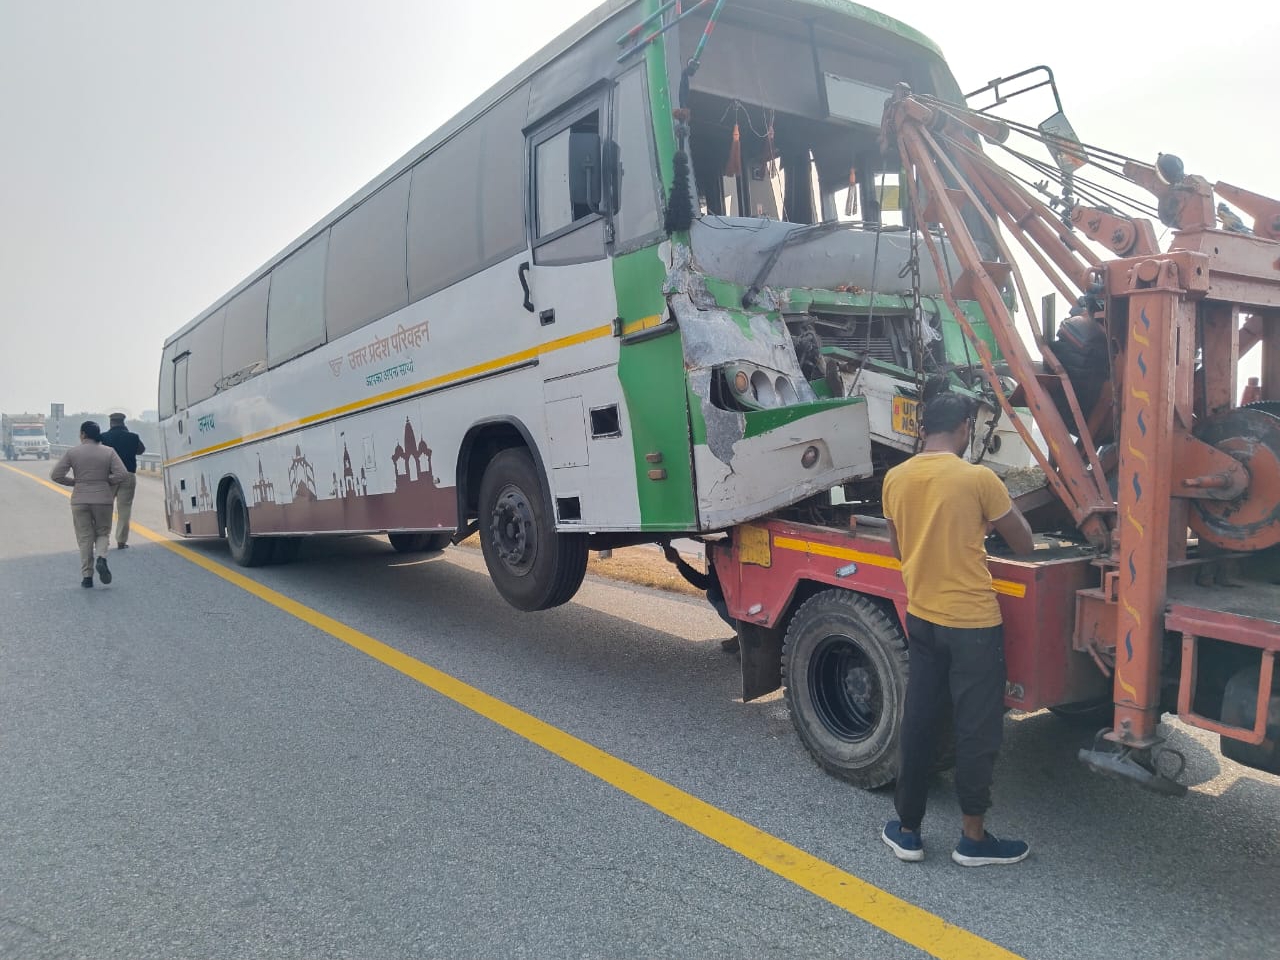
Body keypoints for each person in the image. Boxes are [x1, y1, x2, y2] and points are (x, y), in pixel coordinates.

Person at [879, 391, 1035, 867]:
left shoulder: (895, 478)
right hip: (973, 625)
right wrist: (981, 525)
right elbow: (1025, 543)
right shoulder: (978, 479)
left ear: (923, 428)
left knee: (920, 721)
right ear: (966, 428)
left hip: (922, 617)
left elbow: (899, 549)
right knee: (975, 728)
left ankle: (908, 830)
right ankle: (973, 838)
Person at [50, 421, 128, 587]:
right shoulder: (108, 451)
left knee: (85, 538)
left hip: (80, 500)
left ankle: (87, 577)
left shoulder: (72, 452)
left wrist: (75, 482)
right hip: (103, 499)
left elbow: (56, 475)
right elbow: (122, 474)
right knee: (103, 533)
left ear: (83, 434)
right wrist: (106, 481)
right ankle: (101, 557)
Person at [661, 542, 738, 652]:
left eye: (712, 554)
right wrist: (678, 562)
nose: (708, 555)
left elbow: (704, 583)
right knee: (712, 593)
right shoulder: (729, 566)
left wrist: (678, 561)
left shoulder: (727, 569)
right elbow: (707, 583)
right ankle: (744, 633)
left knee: (715, 596)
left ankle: (747, 635)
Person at [98, 412, 146, 549]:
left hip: (109, 476)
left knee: (105, 508)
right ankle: (121, 541)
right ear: (123, 422)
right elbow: (141, 450)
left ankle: (103, 539)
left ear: (111, 422)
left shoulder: (103, 437)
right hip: (127, 475)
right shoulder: (133, 437)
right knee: (124, 509)